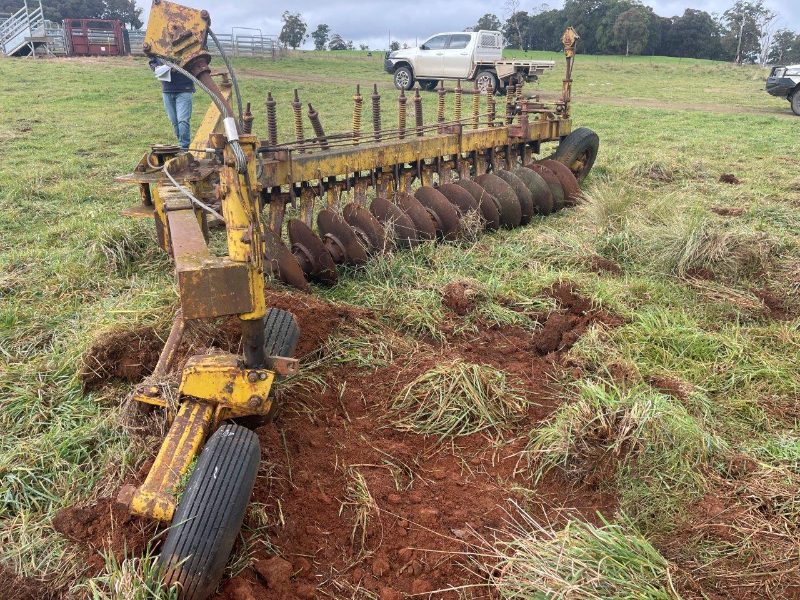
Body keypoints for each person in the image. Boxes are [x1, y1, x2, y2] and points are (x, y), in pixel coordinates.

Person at [149, 57, 195, 150]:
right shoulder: (159, 51)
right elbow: (152, 61)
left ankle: (184, 146)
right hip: (167, 90)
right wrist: (155, 68)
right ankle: (181, 144)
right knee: (174, 121)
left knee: (183, 120)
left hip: (184, 88)